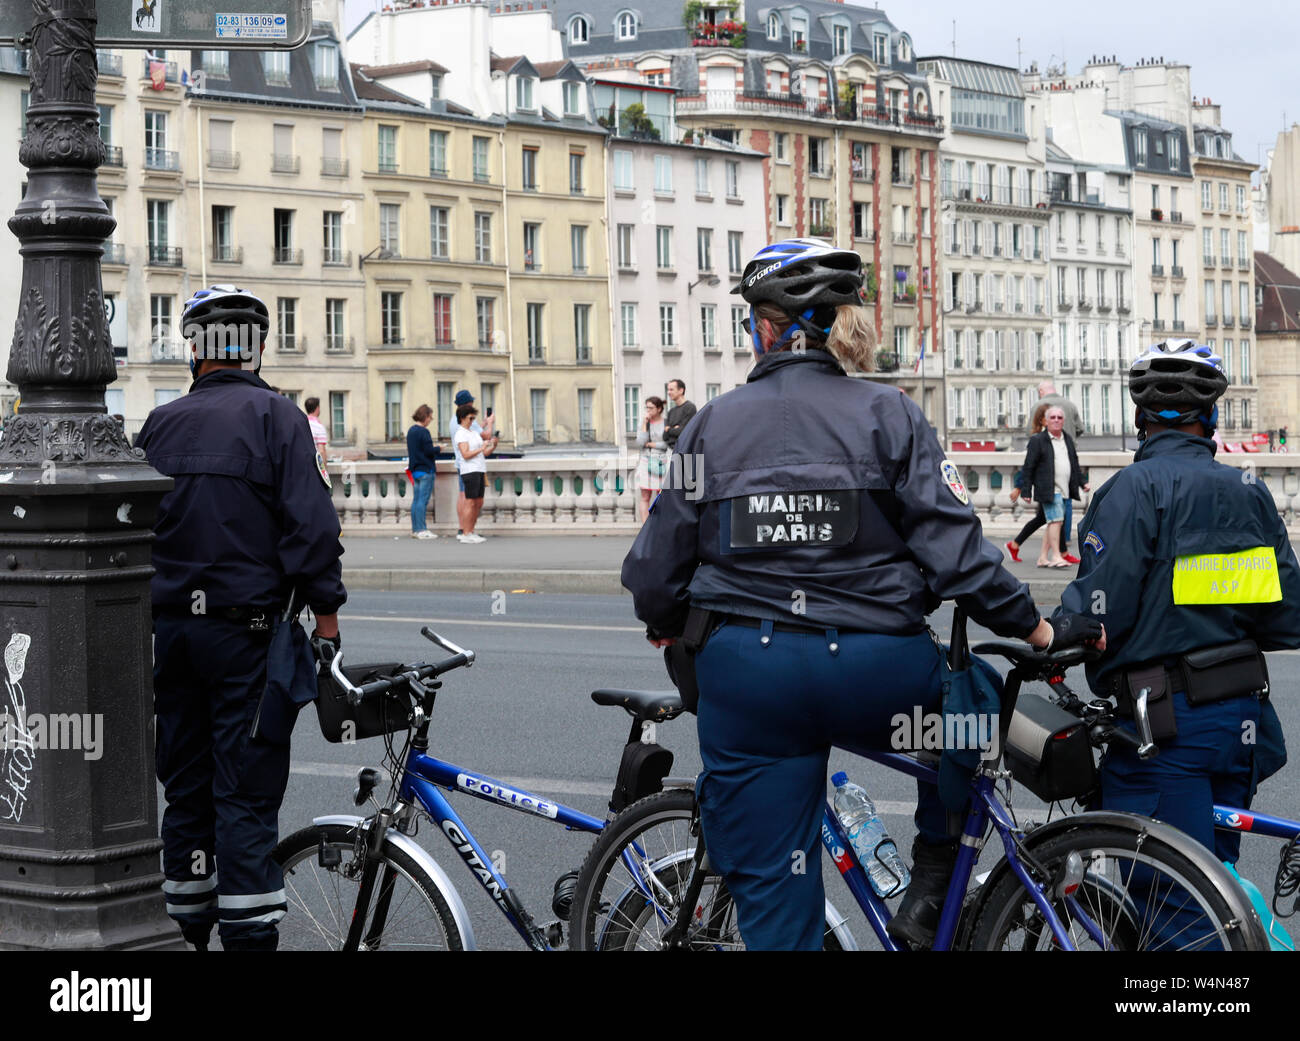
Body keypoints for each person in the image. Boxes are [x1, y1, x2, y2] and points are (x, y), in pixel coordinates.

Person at [623, 238, 1100, 950]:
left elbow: (654, 571)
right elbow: (960, 557)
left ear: (765, 326)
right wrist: (1035, 630)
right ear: (838, 323)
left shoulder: (709, 427)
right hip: (882, 680)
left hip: (753, 689)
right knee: (971, 712)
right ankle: (936, 874)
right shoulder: (892, 416)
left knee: (777, 909)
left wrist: (670, 624)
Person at [138, 284, 346, 951]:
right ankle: (249, 939)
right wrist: (328, 623)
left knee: (188, 795)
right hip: (247, 637)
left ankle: (185, 933)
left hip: (173, 636)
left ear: (194, 349)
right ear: (254, 346)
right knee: (245, 796)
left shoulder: (159, 424)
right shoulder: (278, 418)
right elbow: (312, 532)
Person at [1058, 339, 1300, 870]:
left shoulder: (1130, 490)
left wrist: (1059, 630)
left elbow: (1099, 611)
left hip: (1164, 731)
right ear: (1210, 416)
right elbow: (1286, 616)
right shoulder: (1249, 491)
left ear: (1140, 416)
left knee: (1171, 910)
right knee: (1219, 894)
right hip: (1241, 722)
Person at [1005, 403, 1078, 564]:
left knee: (1046, 519)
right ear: (1044, 420)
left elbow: (1071, 461)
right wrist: (1021, 488)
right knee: (1055, 519)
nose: (1056, 420)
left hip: (1059, 486)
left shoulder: (1061, 438)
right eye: (1051, 417)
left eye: (1059, 417)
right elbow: (1028, 467)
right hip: (1048, 487)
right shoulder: (1039, 440)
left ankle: (1037, 554)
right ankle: (1059, 554)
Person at [449, 390, 495, 536]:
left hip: (461, 464)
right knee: (471, 499)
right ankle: (467, 530)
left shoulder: (454, 420)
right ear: (468, 403)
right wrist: (490, 424)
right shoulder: (466, 425)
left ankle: (463, 528)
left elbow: (474, 430)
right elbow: (485, 435)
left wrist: (483, 423)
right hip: (470, 466)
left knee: (463, 495)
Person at [406, 403, 439, 540]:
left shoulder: (411, 431)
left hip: (415, 470)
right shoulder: (424, 432)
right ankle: (421, 529)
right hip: (426, 469)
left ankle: (415, 529)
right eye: (430, 418)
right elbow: (428, 451)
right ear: (425, 417)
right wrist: (439, 449)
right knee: (422, 501)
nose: (430, 420)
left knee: (416, 500)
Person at [635, 396, 668, 523]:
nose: (648, 410)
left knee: (661, 496)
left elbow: (666, 444)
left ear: (659, 409)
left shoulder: (666, 423)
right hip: (646, 461)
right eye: (646, 407)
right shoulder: (644, 423)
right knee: (645, 496)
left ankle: (659, 524)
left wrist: (652, 444)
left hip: (661, 462)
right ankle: (645, 526)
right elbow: (640, 443)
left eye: (651, 408)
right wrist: (644, 424)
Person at [663, 379, 696, 449]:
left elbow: (683, 432)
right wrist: (674, 429)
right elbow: (664, 436)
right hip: (670, 451)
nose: (668, 392)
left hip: (684, 451)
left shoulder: (690, 407)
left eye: (671, 390)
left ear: (681, 390)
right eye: (668, 390)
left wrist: (669, 429)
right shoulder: (671, 411)